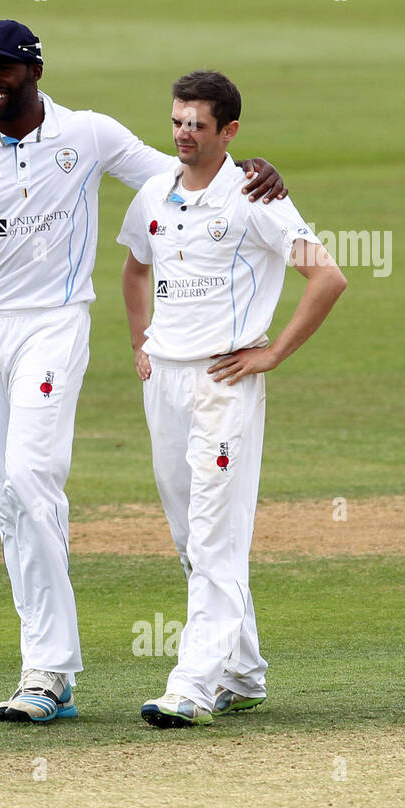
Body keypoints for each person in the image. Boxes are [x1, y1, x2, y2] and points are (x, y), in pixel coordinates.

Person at [0, 21, 286, 722]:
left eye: (1, 69)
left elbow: (178, 170)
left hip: (56, 321)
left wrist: (252, 172)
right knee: (9, 494)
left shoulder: (86, 135)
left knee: (32, 473)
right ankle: (237, 666)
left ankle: (50, 668)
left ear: (33, 71)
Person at [117, 70, 346, 728]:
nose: (185, 134)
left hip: (225, 380)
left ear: (230, 132)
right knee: (191, 533)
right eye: (177, 122)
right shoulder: (154, 194)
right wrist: (141, 339)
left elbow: (327, 275)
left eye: (198, 124)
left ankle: (192, 683)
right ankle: (242, 671)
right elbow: (135, 266)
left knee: (216, 532)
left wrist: (271, 354)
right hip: (163, 378)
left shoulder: (255, 194)